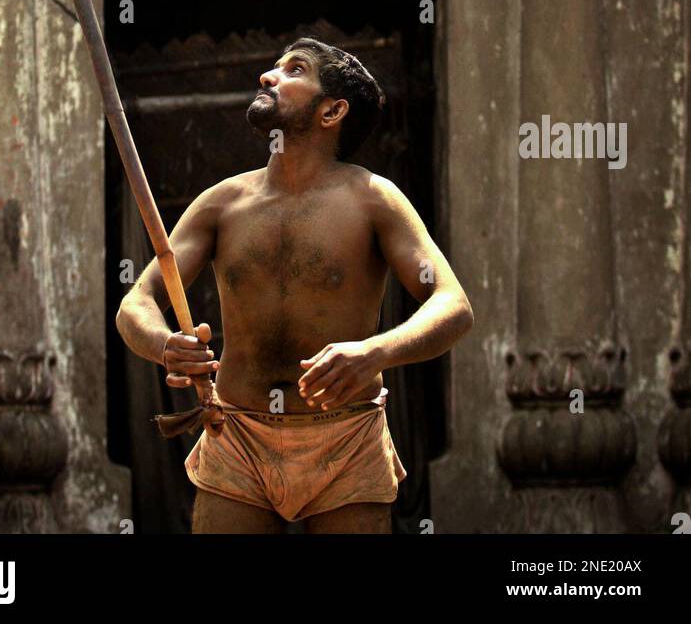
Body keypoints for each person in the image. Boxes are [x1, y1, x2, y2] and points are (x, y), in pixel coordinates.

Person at [116, 37, 473, 534]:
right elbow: (137, 302)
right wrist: (164, 344)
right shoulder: (221, 203)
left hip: (346, 438)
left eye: (294, 70)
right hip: (236, 435)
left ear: (332, 111)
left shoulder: (374, 200)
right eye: (274, 67)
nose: (268, 76)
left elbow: (453, 305)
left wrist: (375, 352)